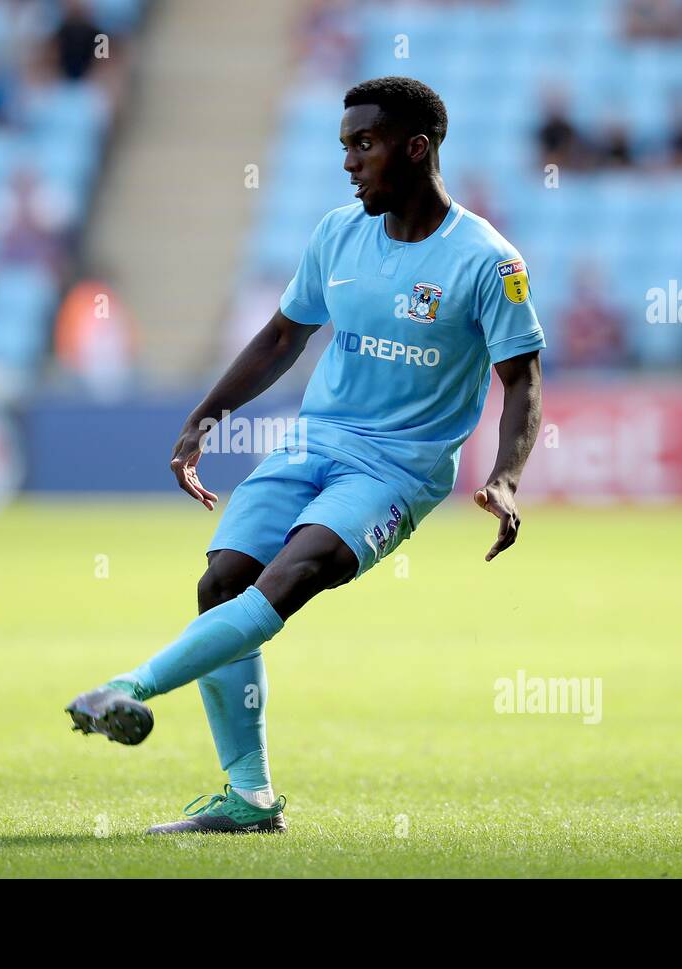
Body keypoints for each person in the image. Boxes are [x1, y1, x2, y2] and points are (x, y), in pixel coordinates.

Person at [65, 77, 546, 834]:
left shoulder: (488, 261)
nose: (350, 162)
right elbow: (283, 337)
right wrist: (203, 420)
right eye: (344, 146)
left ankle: (125, 686)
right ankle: (249, 800)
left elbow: (521, 381)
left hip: (400, 468)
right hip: (314, 441)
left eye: (365, 144)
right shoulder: (337, 234)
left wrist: (507, 478)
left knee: (292, 575)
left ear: (416, 150)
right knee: (221, 582)